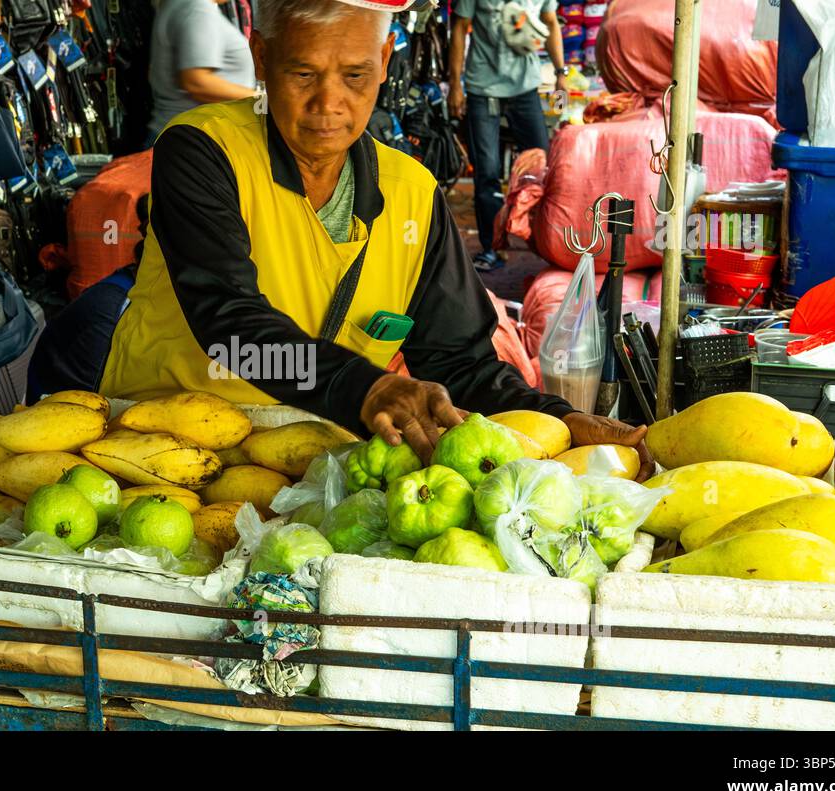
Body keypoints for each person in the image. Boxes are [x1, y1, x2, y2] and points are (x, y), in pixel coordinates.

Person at [37, 0, 649, 472]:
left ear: (384, 63)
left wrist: (561, 418)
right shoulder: (200, 151)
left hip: (311, 469)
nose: (328, 104)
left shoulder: (412, 191)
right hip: (163, 451)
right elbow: (230, 328)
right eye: (303, 72)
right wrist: (369, 386)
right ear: (261, 55)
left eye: (356, 75)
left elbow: (458, 363)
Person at [449, 0, 566, 272]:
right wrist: (455, 84)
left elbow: (550, 23)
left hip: (525, 88)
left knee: (543, 168)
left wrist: (561, 74)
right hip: (483, 88)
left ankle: (546, 242)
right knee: (487, 172)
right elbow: (459, 27)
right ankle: (493, 247)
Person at [146, 0, 258, 144]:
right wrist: (259, 100)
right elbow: (197, 82)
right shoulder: (197, 9)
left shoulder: (181, 4)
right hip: (191, 140)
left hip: (181, 135)